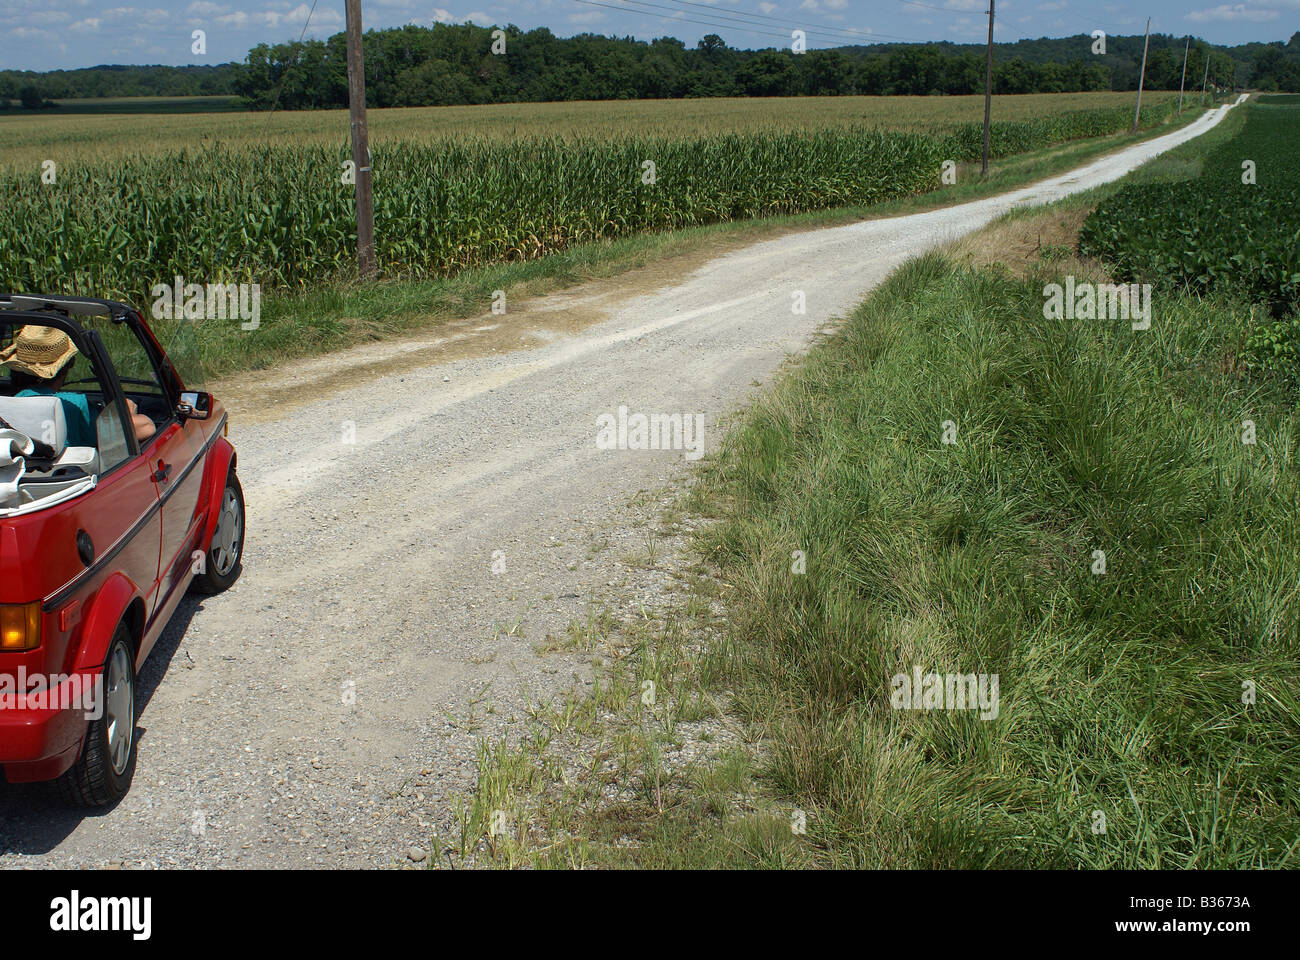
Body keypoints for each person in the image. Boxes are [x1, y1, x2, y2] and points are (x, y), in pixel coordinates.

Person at [0, 325, 156, 446]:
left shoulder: (7, 404)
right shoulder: (74, 406)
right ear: (66, 366)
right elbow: (147, 426)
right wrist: (125, 413)